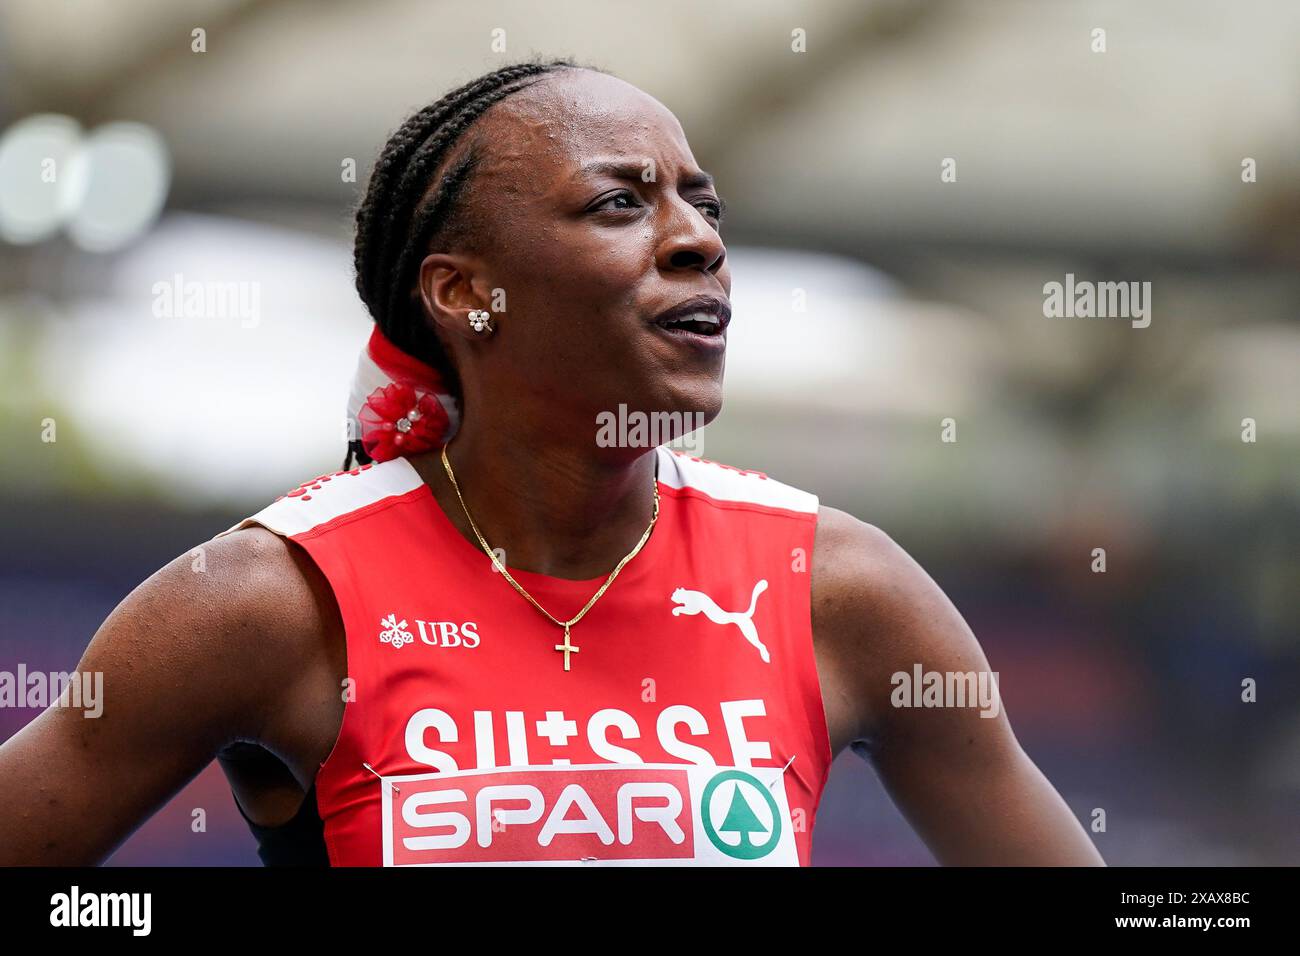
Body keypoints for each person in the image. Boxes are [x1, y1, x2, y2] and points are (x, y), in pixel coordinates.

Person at [0, 58, 1103, 866]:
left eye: (701, 205)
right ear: (465, 292)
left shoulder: (837, 589)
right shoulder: (269, 601)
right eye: (620, 202)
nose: (698, 240)